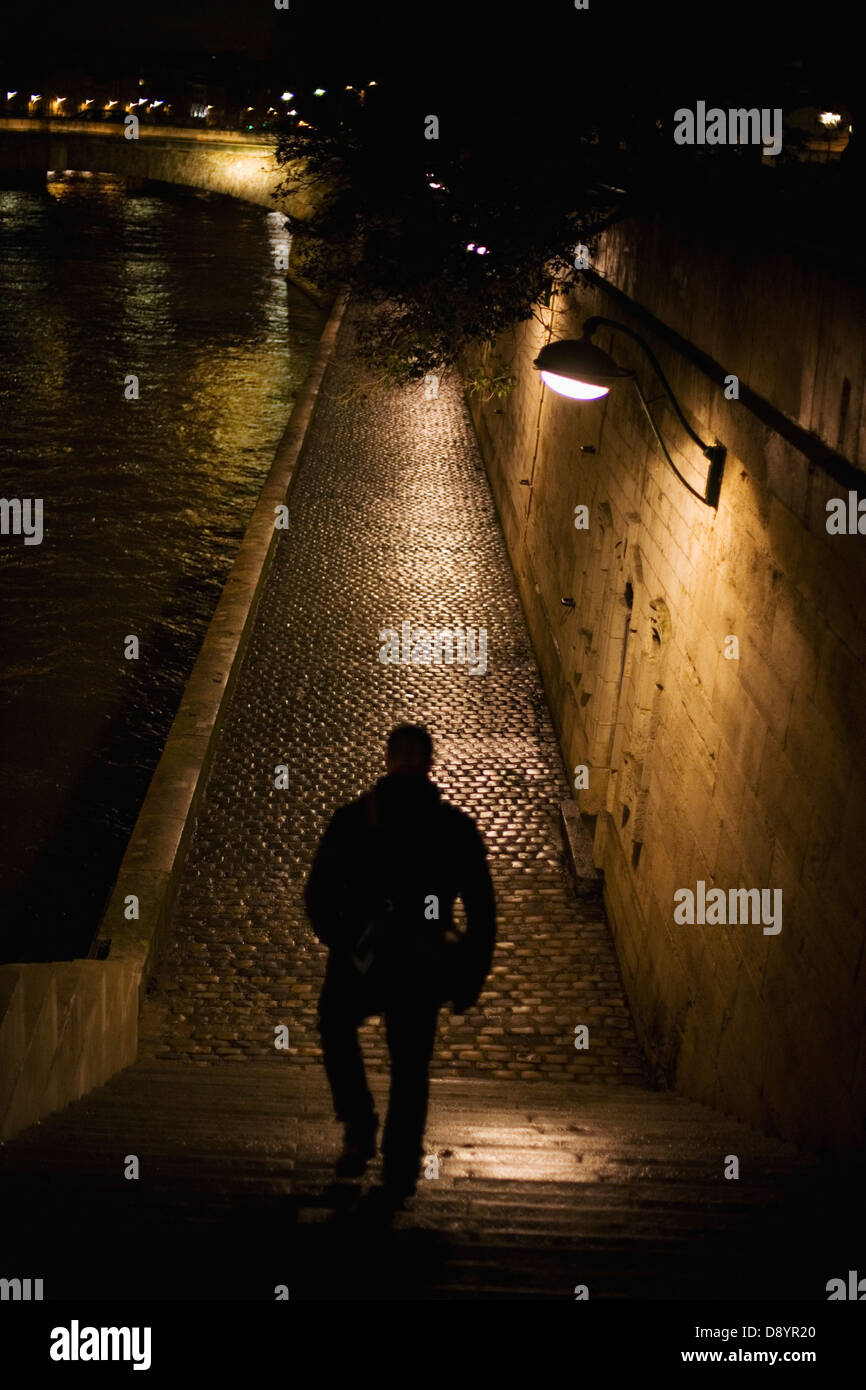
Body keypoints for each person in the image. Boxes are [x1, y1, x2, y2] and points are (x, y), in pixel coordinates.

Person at [304, 723, 496, 1202]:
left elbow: (318, 894)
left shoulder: (354, 818)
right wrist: (470, 973)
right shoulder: (455, 828)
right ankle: (401, 1158)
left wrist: (345, 939)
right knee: (411, 1062)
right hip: (421, 962)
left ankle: (360, 1127)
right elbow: (482, 911)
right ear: (430, 764)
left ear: (388, 760)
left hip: (363, 961)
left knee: (336, 1024)